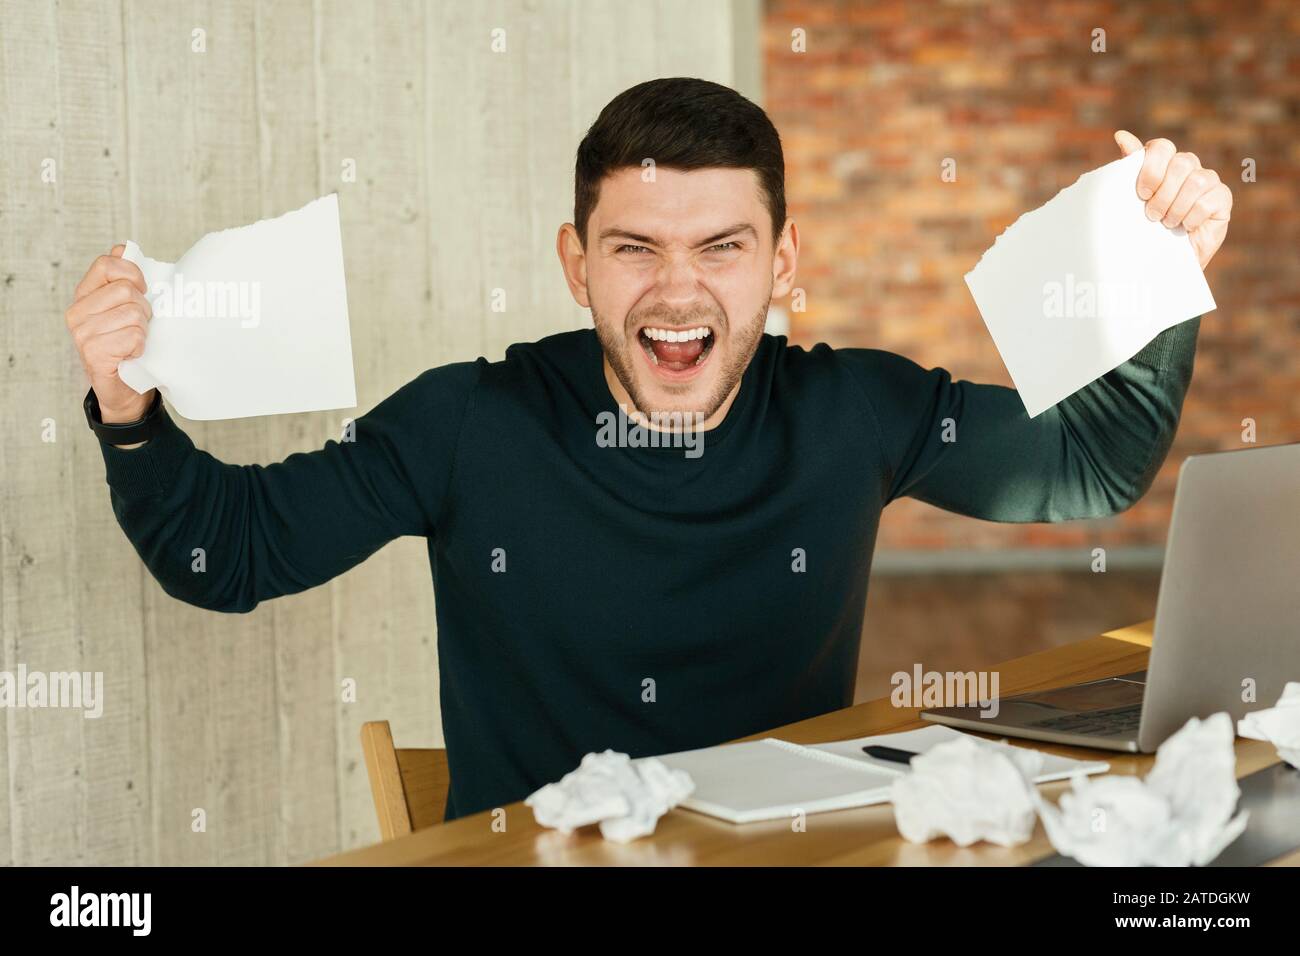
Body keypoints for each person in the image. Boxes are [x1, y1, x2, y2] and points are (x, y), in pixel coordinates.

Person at [64, 77, 1232, 822]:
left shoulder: (854, 409)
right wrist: (128, 401)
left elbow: (1088, 464)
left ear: (780, 262)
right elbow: (227, 555)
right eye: (634, 249)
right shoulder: (469, 421)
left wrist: (1163, 273)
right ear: (577, 264)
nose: (677, 292)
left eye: (722, 246)